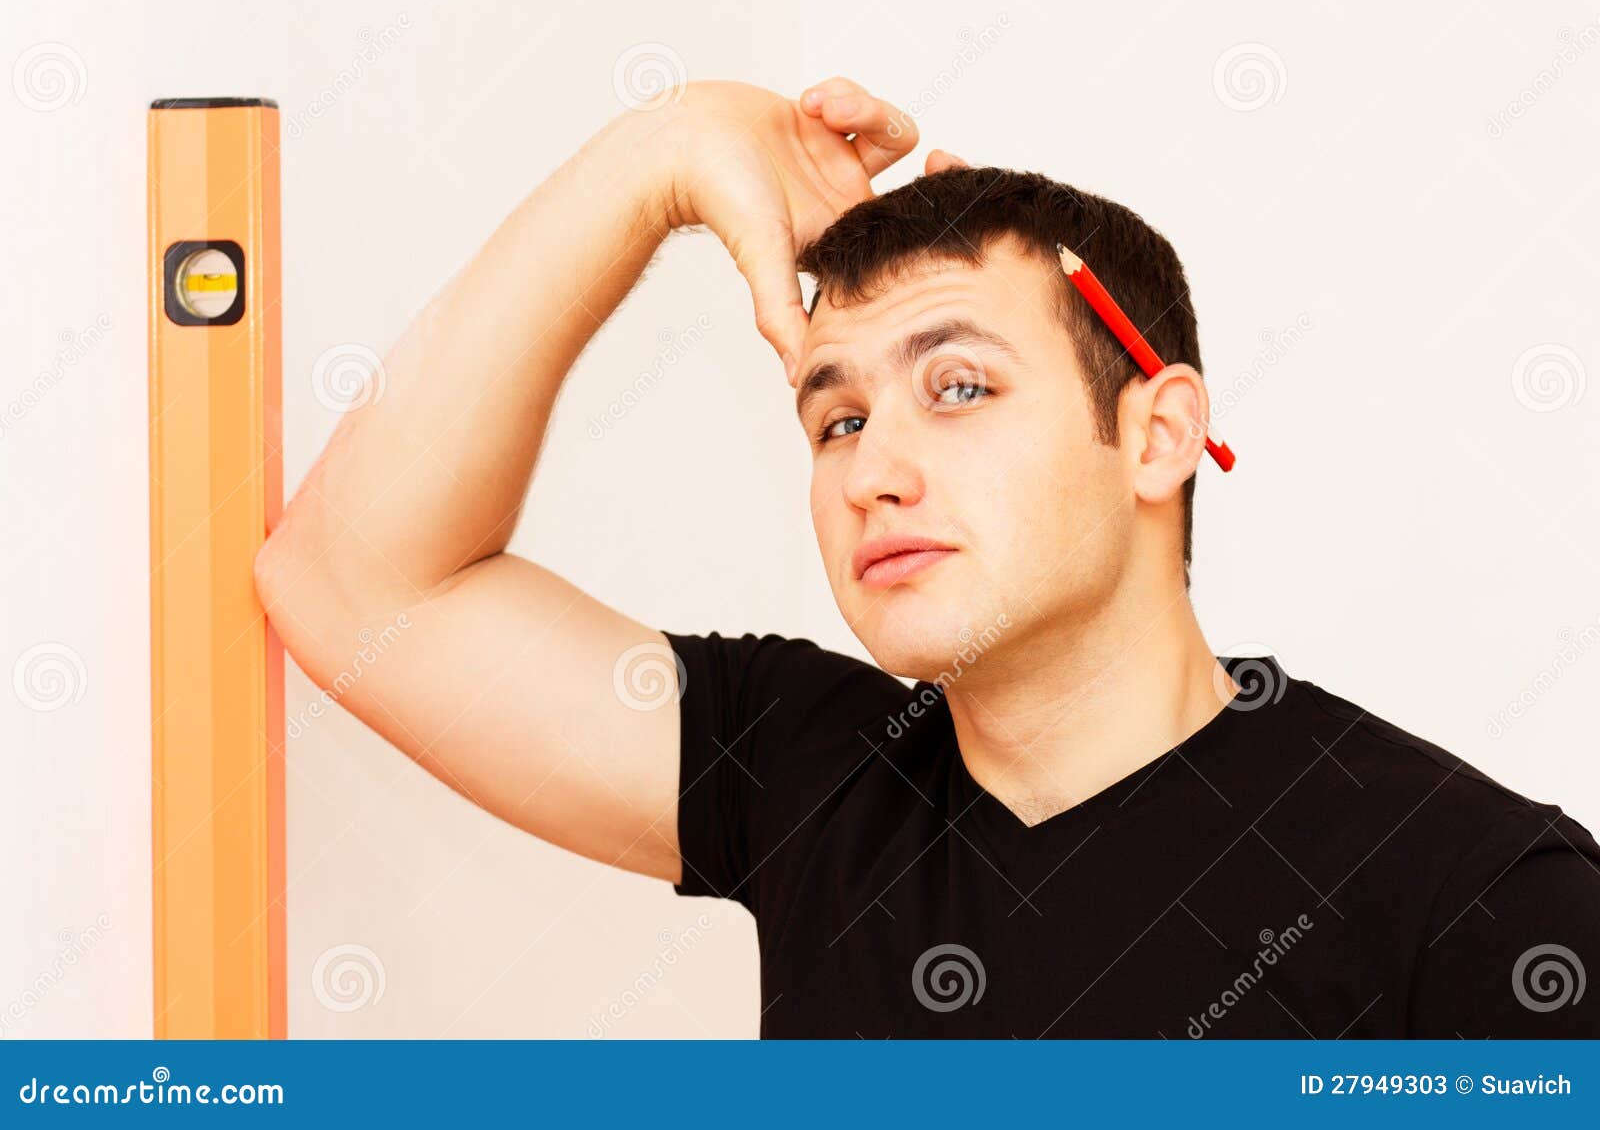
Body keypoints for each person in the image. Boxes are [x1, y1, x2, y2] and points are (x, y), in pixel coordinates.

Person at [254, 77, 1600, 1038]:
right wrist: (663, 150)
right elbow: (354, 582)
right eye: (836, 415)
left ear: (1156, 434)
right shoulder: (811, 774)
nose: (871, 469)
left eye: (956, 386)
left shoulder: (1468, 894)